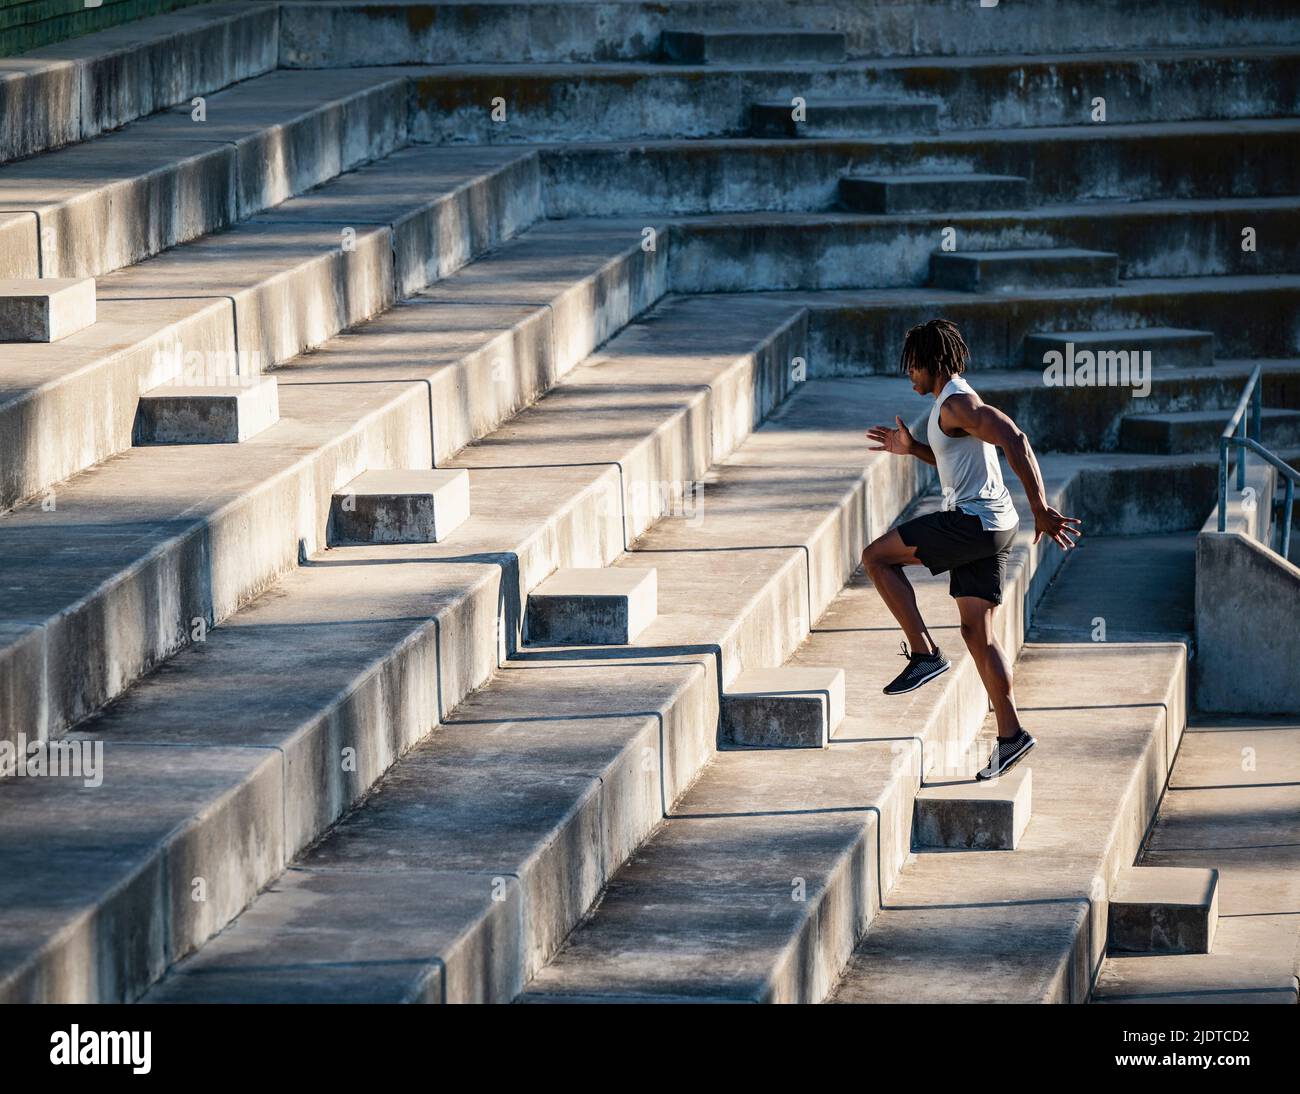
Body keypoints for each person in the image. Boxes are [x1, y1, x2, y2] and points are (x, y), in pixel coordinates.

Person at [862, 319, 1081, 779]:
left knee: (876, 557)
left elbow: (1014, 438)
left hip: (974, 523)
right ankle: (1011, 735)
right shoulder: (950, 405)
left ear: (929, 363)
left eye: (912, 368)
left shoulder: (959, 401)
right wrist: (913, 448)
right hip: (993, 525)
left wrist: (1042, 507)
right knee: (978, 635)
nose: (910, 377)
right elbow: (955, 454)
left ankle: (924, 654)